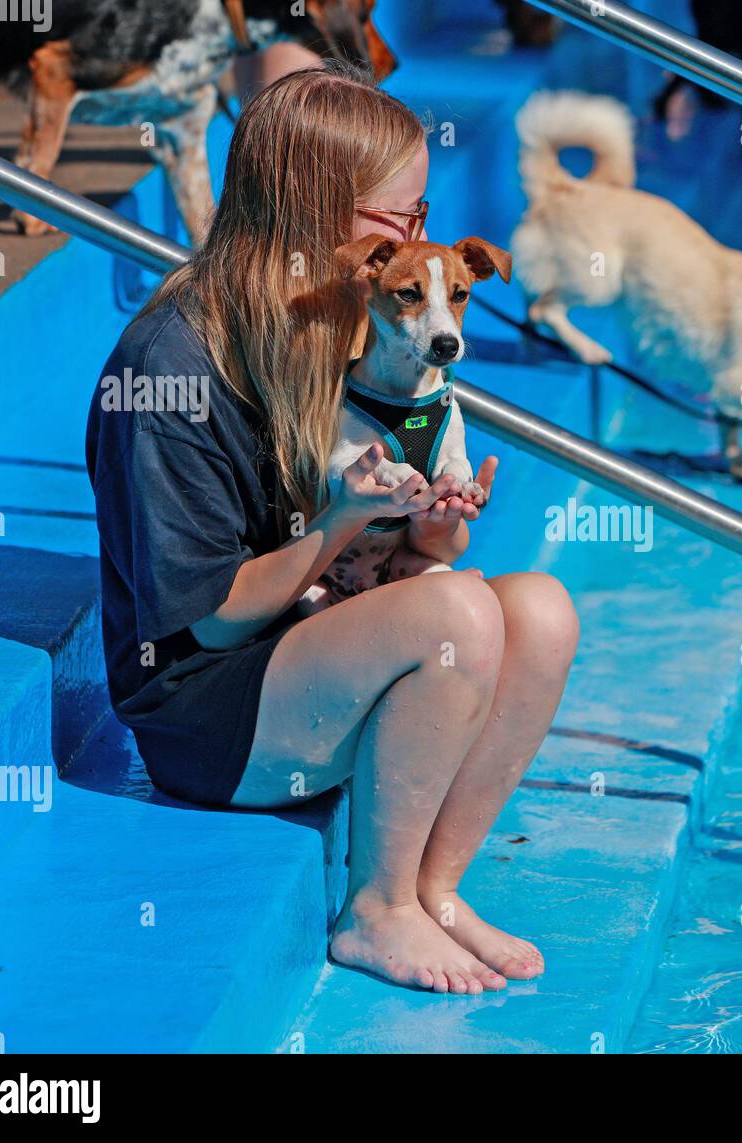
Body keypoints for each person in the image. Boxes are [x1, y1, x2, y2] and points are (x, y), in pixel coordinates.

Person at [86, 66, 579, 996]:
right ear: (318, 209)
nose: (420, 240)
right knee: (459, 620)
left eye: (423, 212)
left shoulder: (348, 323)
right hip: (208, 712)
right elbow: (214, 622)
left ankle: (434, 886)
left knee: (542, 612)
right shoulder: (171, 368)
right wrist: (351, 518)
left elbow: (416, 563)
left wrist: (427, 531)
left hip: (313, 643)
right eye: (400, 219)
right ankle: (374, 909)